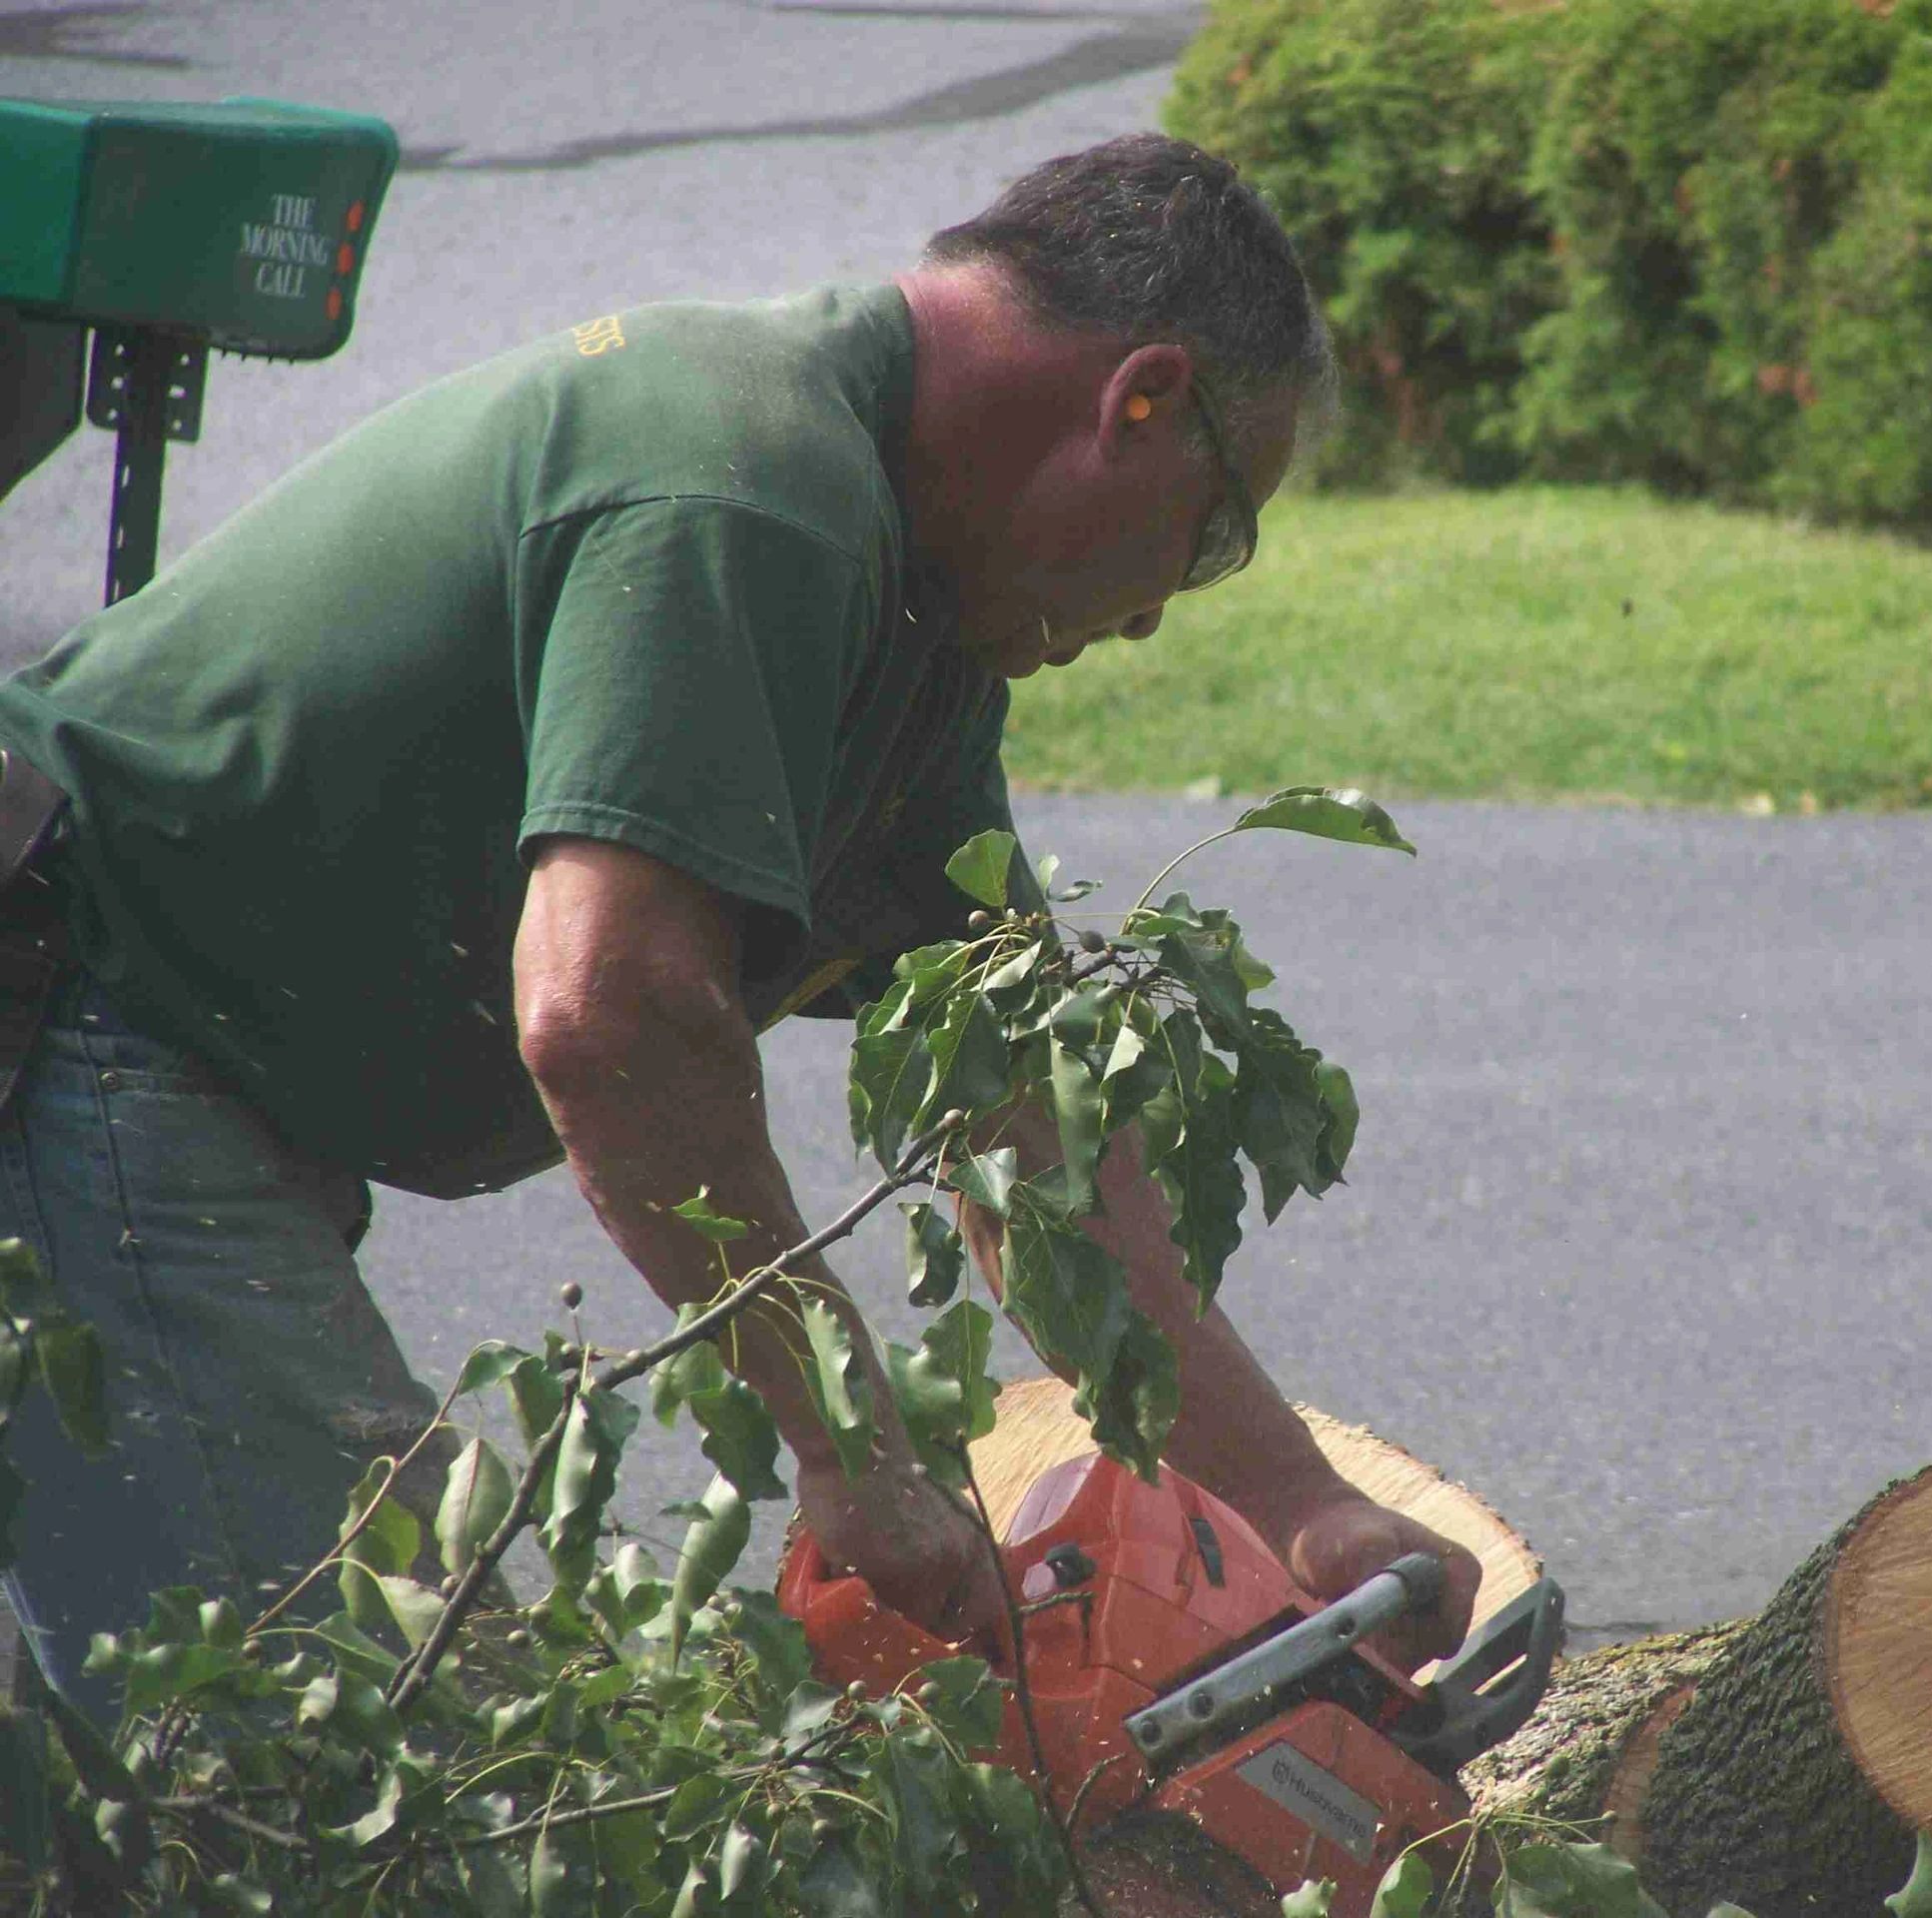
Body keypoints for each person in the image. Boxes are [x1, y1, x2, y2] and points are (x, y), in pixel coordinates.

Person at [0, 133, 1480, 1725]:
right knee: (345, 1745)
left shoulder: (918, 606)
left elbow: (1017, 1115)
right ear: (1139, 400)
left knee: (164, 1780)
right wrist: (857, 1454)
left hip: (159, 1057)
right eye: (1213, 538)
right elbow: (614, 1014)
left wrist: (1300, 1503)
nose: (1150, 615)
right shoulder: (753, 482)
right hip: (76, 1010)